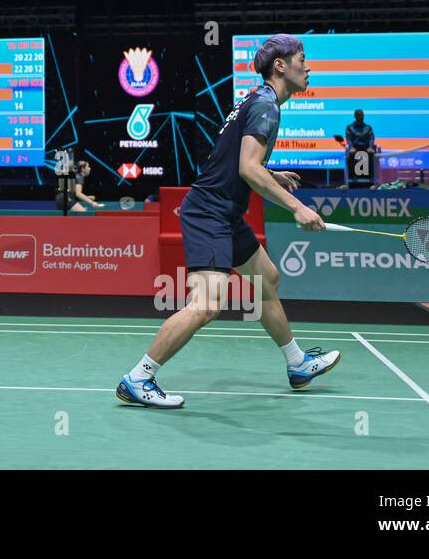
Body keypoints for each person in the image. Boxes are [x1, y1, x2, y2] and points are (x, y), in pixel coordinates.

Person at [117, 33, 336, 409]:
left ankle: (297, 363)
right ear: (280, 66)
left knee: (266, 278)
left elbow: (240, 160)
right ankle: (139, 378)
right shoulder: (267, 105)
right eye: (303, 58)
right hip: (209, 212)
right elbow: (247, 168)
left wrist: (271, 172)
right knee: (206, 305)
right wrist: (296, 207)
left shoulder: (257, 99)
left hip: (224, 211)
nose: (309, 66)